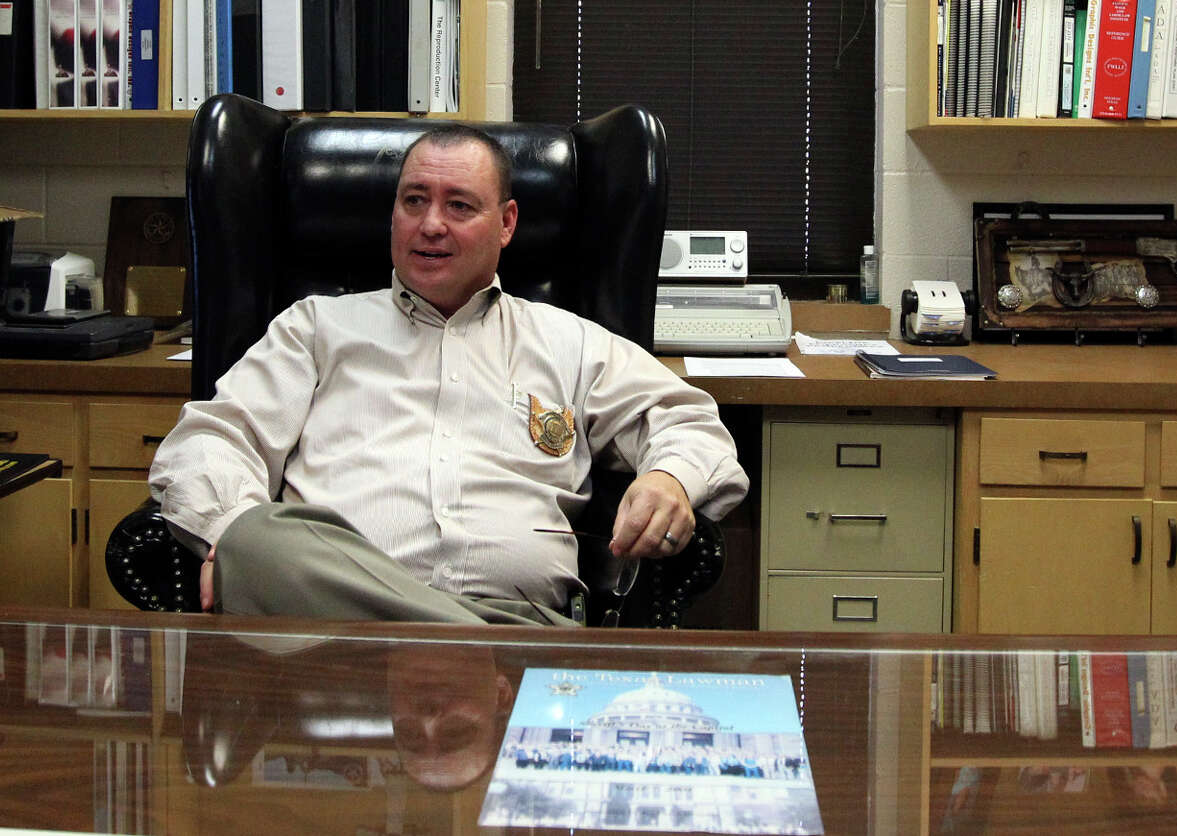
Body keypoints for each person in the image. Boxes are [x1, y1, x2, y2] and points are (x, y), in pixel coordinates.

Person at [148, 125, 748, 626]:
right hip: (341, 638)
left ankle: (449, 645)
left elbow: (689, 421)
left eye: (459, 205)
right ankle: (468, 647)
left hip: (504, 615)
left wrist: (669, 478)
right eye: (414, 200)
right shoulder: (315, 330)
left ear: (507, 223)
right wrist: (229, 534)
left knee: (255, 558)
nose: (430, 224)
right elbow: (209, 440)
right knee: (252, 539)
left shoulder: (570, 341)